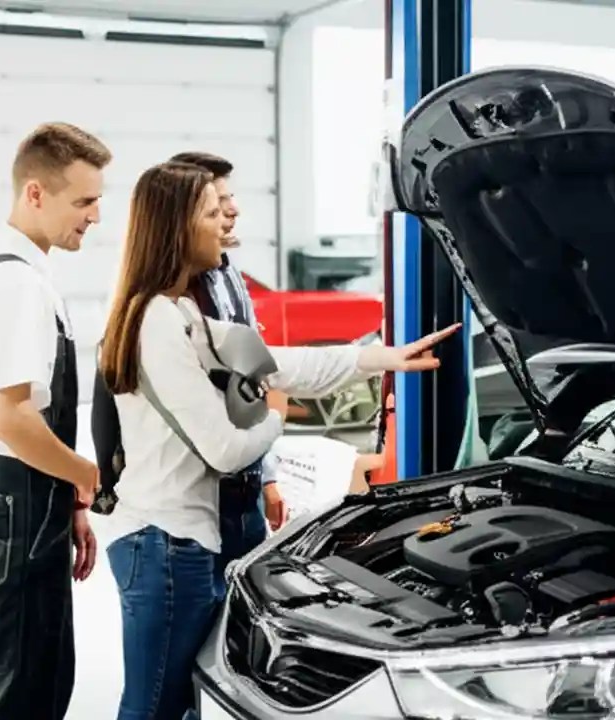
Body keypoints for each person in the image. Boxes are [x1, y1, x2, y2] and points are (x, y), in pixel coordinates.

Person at [98, 160, 458, 720]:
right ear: (175, 225)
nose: (226, 220)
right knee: (152, 709)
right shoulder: (156, 322)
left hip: (180, 541)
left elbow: (275, 362)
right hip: (165, 544)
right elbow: (224, 447)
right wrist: (274, 419)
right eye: (212, 212)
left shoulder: (181, 311)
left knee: (175, 707)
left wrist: (381, 357)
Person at [0, 121, 110, 720]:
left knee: (41, 683)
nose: (95, 216)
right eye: (85, 201)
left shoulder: (30, 273)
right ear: (35, 194)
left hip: (28, 500)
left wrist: (69, 500)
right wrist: (85, 475)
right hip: (16, 504)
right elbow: (13, 418)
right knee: (16, 697)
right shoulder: (15, 284)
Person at [167, 150, 282, 590]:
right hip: (204, 496)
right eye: (218, 203)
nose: (232, 210)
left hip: (243, 487)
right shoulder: (173, 294)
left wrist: (266, 476)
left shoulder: (226, 271)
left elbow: (252, 377)